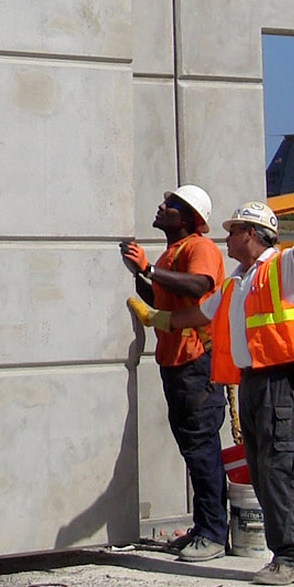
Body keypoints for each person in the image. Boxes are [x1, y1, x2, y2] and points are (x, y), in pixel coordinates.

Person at [132, 201, 294, 585]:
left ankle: (289, 558)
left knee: (278, 469)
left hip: (281, 382)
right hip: (254, 382)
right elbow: (203, 315)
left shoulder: (279, 267)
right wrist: (160, 320)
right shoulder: (238, 279)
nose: (228, 236)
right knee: (261, 470)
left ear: (253, 236)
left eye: (236, 229)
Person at [122, 184, 227, 561]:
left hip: (196, 363)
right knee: (193, 448)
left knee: (201, 448)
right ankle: (206, 528)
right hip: (175, 361)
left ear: (188, 218)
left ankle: (214, 533)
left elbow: (200, 285)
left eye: (170, 205)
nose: (161, 206)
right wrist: (142, 277)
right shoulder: (171, 255)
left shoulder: (200, 248)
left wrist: (149, 269)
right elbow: (164, 297)